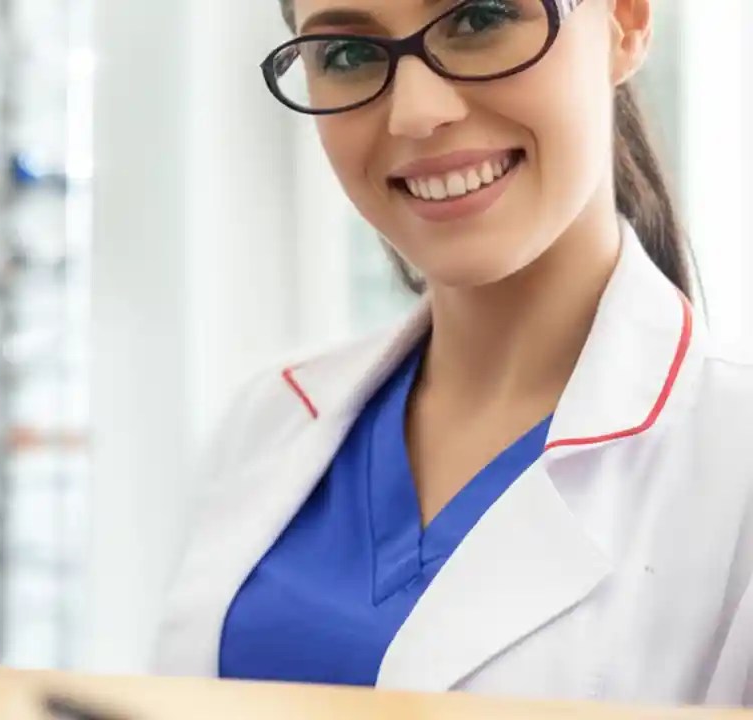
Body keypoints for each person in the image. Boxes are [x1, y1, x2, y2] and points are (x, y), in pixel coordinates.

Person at [153, 0, 753, 707]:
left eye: (480, 19)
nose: (416, 112)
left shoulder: (732, 465)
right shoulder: (269, 418)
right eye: (346, 54)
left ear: (624, 22)